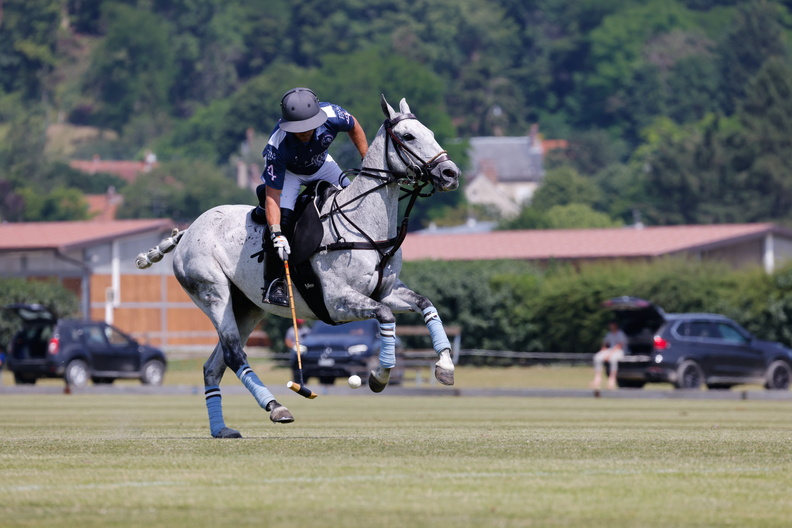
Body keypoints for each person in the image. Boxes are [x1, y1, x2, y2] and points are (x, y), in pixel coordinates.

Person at [252, 87, 369, 307]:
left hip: (322, 165)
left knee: (356, 200)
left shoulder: (333, 115)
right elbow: (272, 196)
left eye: (309, 126)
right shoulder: (277, 145)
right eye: (299, 129)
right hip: (290, 173)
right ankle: (273, 284)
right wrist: (276, 233)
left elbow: (354, 125)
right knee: (283, 224)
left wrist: (366, 159)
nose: (305, 132)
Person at [591, 320, 628, 390]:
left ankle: (612, 379)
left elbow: (620, 345)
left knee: (613, 359)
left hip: (620, 351)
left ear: (616, 325)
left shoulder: (620, 334)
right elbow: (605, 344)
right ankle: (597, 378)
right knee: (597, 357)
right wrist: (603, 350)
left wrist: (609, 354)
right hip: (610, 350)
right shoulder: (609, 334)